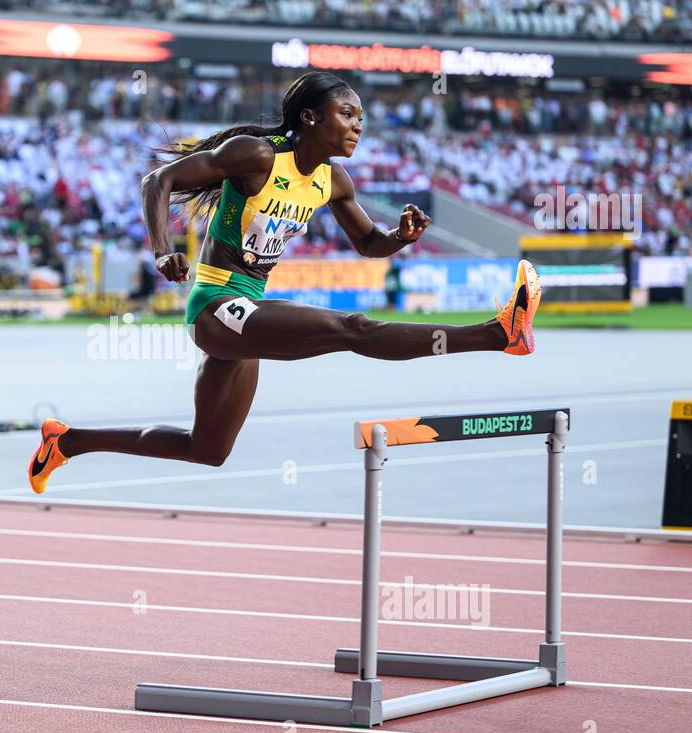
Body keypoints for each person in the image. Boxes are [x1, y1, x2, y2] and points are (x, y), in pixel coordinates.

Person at [28, 72, 541, 493]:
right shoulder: (256, 155)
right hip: (214, 306)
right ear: (310, 118)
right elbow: (157, 181)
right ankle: (499, 334)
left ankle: (66, 442)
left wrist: (400, 238)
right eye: (347, 114)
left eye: (361, 117)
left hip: (246, 313)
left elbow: (368, 244)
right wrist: (164, 251)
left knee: (207, 450)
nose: (357, 126)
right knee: (353, 328)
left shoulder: (333, 180)